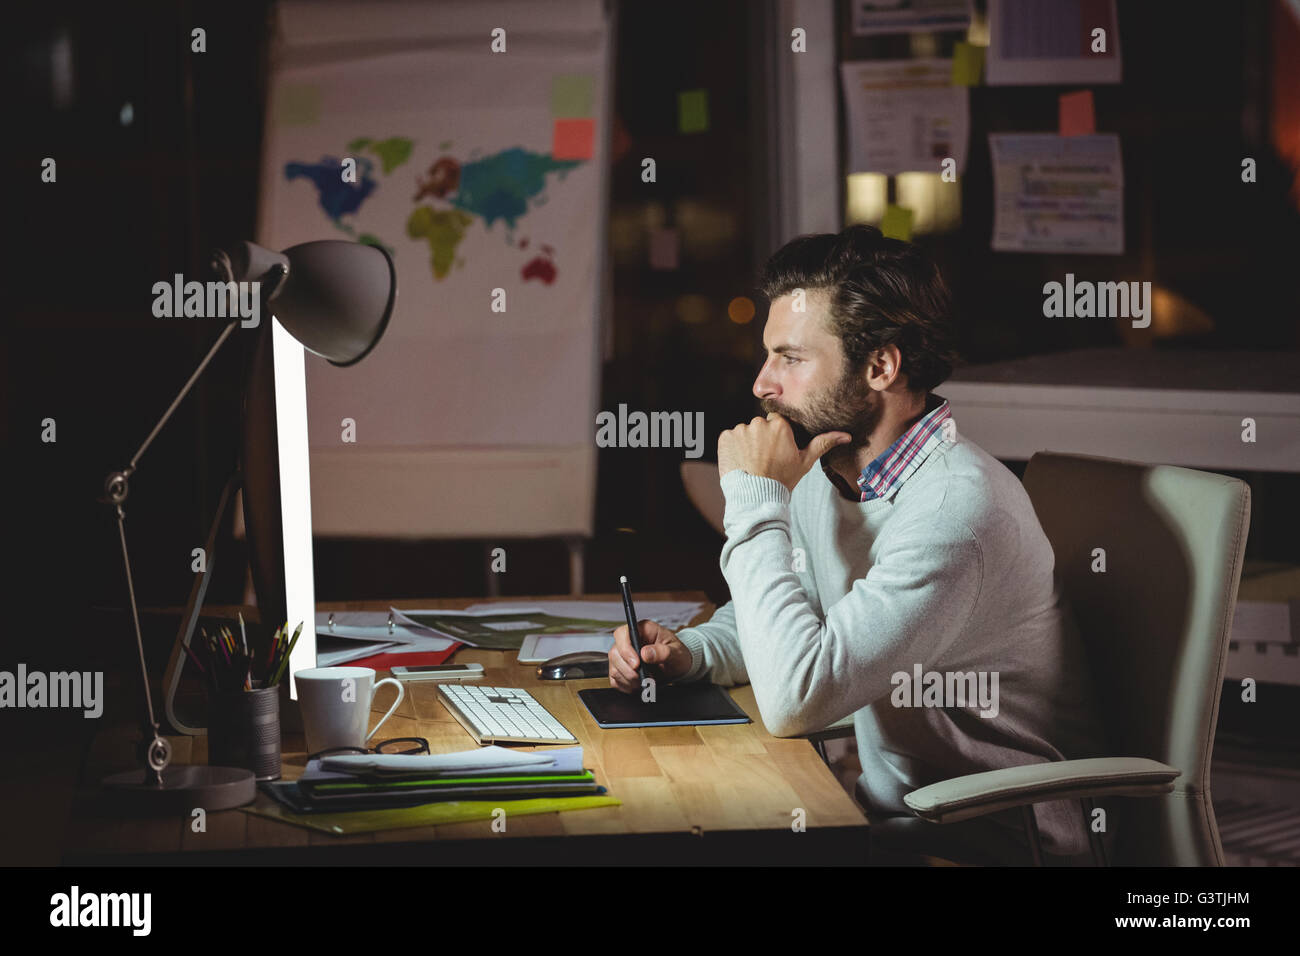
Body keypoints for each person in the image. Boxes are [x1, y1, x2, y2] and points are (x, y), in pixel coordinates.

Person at [607, 224, 1111, 864]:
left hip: (993, 848)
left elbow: (797, 698)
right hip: (896, 827)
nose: (763, 384)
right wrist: (692, 653)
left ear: (881, 365)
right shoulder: (834, 474)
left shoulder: (956, 514)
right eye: (768, 356)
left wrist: (756, 502)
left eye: (790, 358)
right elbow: (803, 622)